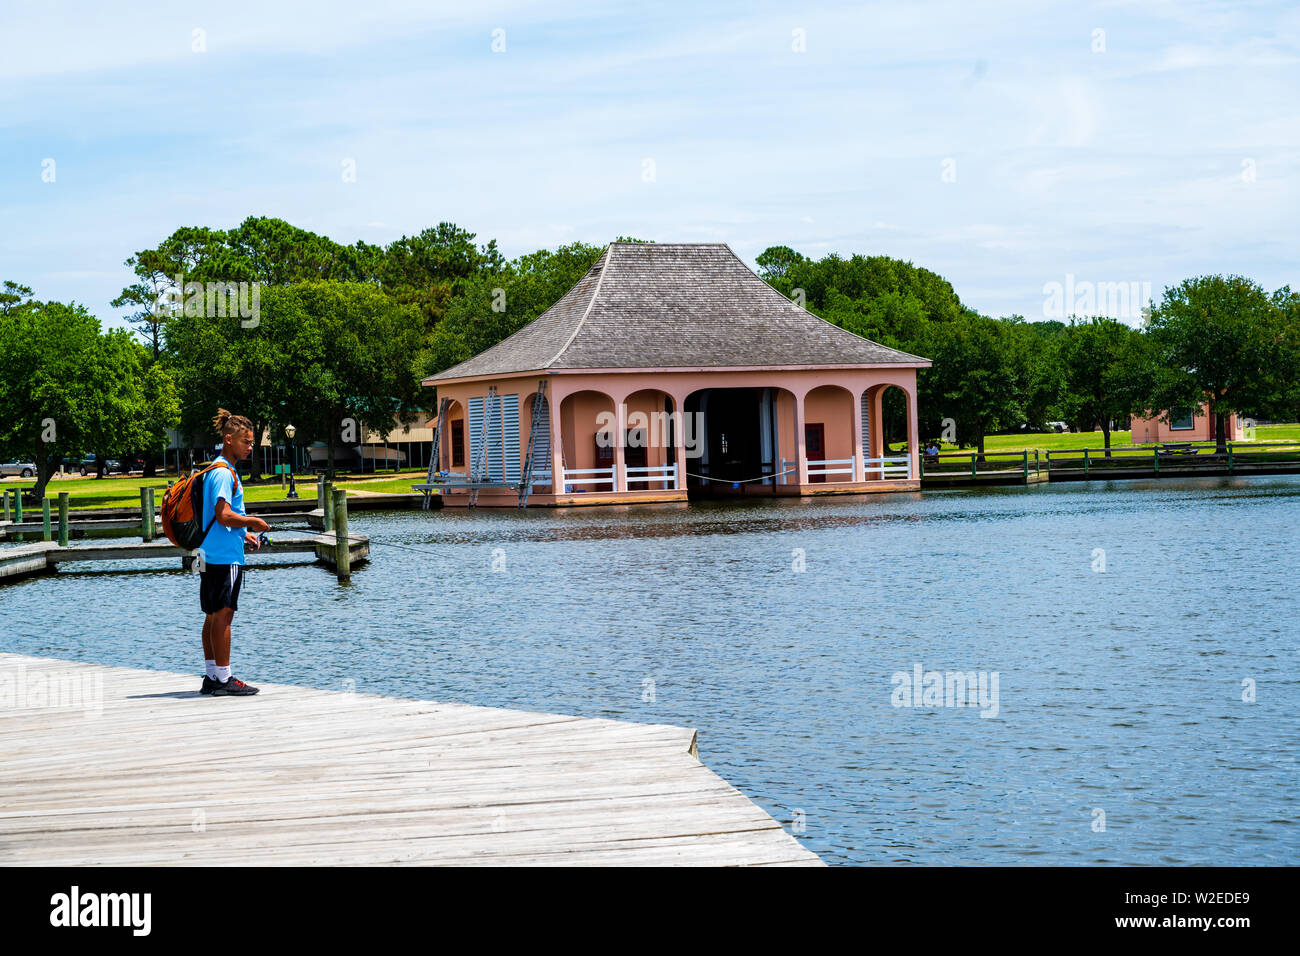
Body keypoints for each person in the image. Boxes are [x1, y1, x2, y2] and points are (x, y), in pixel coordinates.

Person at [198, 408, 270, 697]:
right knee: (223, 616)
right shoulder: (224, 474)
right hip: (223, 557)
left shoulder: (216, 469)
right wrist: (253, 521)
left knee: (212, 616)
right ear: (229, 440)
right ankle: (225, 678)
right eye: (245, 441)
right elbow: (223, 514)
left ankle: (212, 676)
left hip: (212, 552)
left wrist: (245, 533)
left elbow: (224, 520)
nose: (250, 447)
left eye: (251, 442)